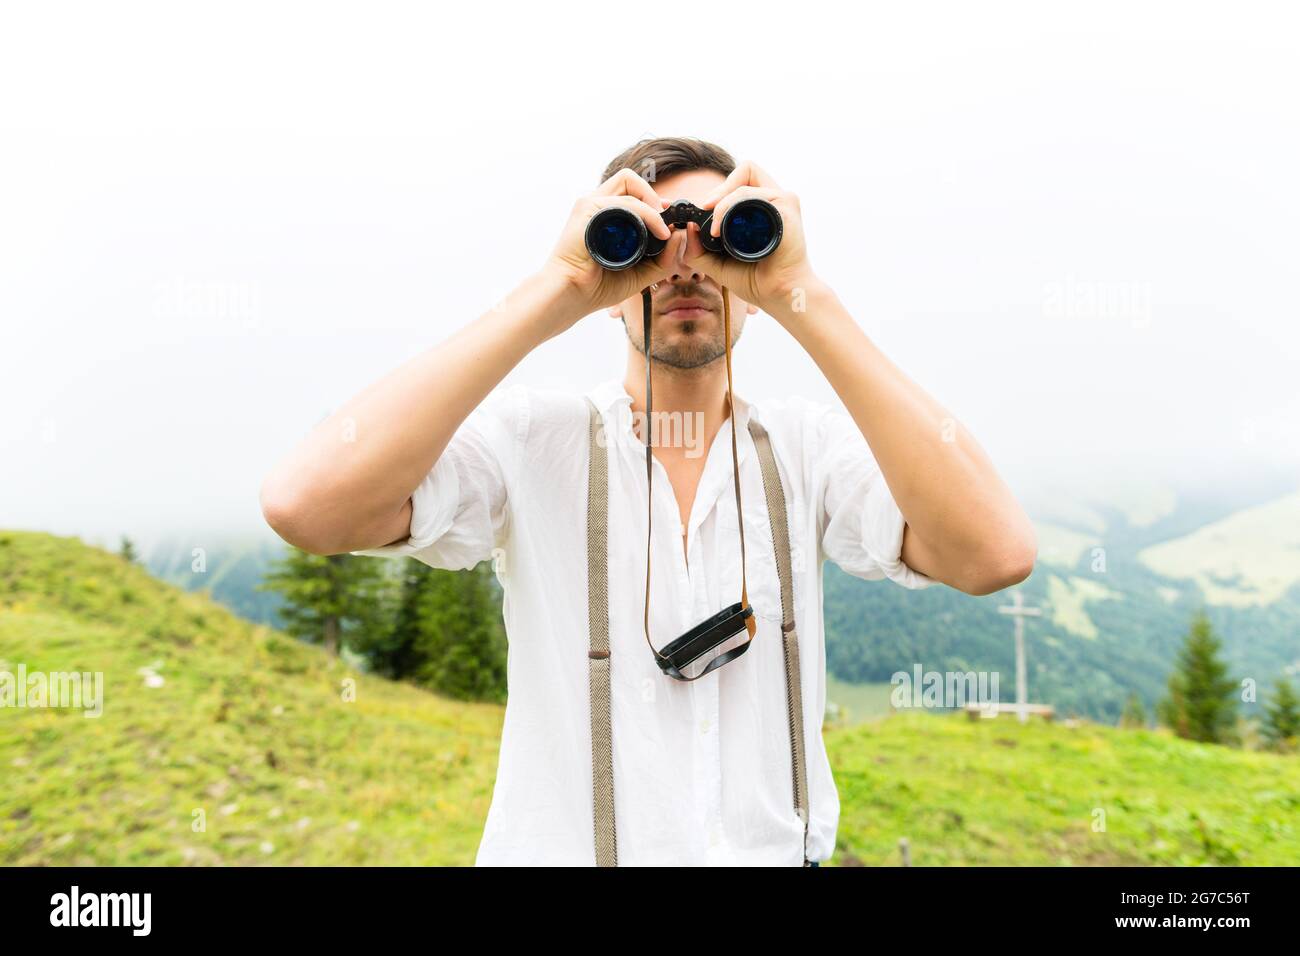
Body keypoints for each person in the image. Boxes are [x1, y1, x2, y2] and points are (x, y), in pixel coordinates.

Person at [259, 136, 1037, 866]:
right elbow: (307, 505)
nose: (686, 266)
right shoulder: (534, 443)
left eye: (722, 240)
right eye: (653, 240)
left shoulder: (806, 453)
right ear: (611, 277)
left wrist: (800, 291)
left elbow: (994, 554)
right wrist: (555, 288)